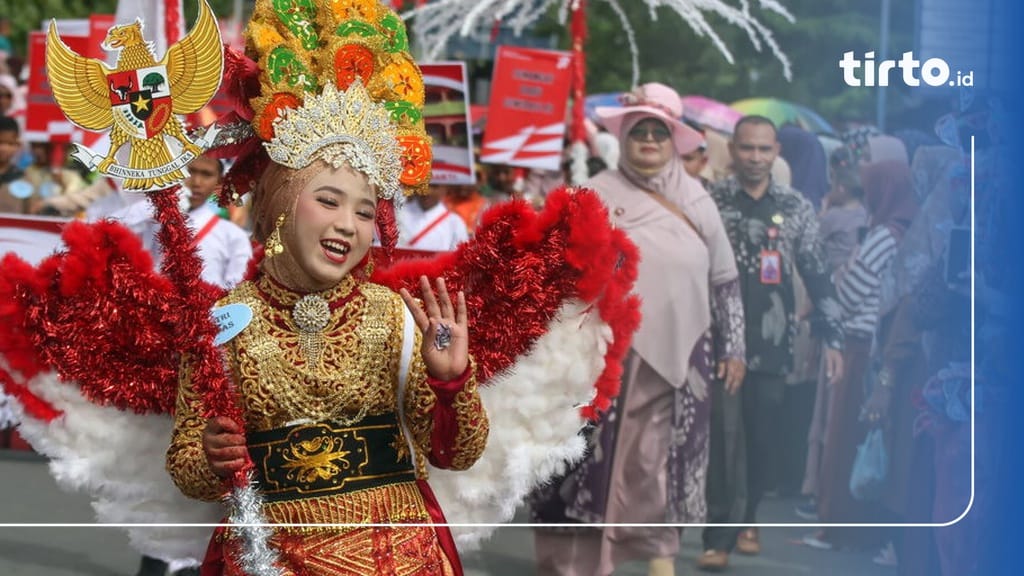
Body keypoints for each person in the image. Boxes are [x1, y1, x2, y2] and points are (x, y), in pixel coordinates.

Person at [166, 3, 490, 573]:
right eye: (329, 200)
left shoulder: (395, 317)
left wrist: (451, 384)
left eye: (365, 212)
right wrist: (212, 458)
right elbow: (188, 467)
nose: (348, 225)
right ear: (281, 203)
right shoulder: (225, 319)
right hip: (268, 555)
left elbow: (455, 455)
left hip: (398, 557)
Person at [532, 82, 745, 576]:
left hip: (679, 359)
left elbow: (725, 279)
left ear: (675, 141)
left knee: (656, 465)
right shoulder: (595, 194)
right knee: (589, 464)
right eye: (639, 131)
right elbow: (558, 269)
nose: (649, 141)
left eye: (659, 132)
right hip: (599, 356)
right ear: (623, 137)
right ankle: (579, 565)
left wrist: (735, 347)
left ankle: (659, 560)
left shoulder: (698, 201)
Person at [699, 115, 844, 570]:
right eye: (747, 149)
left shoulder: (797, 206)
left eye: (764, 149)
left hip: (775, 341)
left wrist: (832, 337)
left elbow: (818, 273)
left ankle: (749, 516)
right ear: (733, 151)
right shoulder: (711, 201)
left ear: (777, 151)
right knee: (723, 439)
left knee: (762, 440)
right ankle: (718, 534)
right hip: (721, 341)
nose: (756, 158)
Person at [802, 159, 917, 551]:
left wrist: (836, 282)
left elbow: (849, 292)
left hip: (860, 346)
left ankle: (841, 527)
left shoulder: (884, 235)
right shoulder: (909, 232)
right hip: (874, 346)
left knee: (846, 438)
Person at [110, 154, 252, 289]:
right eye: (189, 172)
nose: (196, 182)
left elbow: (237, 289)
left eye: (207, 174)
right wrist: (158, 206)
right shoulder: (150, 218)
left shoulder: (233, 236)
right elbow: (107, 230)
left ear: (219, 181)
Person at [398, 184, 470, 251]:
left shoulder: (455, 223)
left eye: (434, 186)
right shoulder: (397, 214)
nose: (427, 191)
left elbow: (460, 257)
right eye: (423, 185)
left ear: (445, 189)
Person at [0, 115, 24, 212]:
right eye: (0, 143)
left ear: (17, 145)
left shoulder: (23, 178)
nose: (3, 148)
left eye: (10, 144)